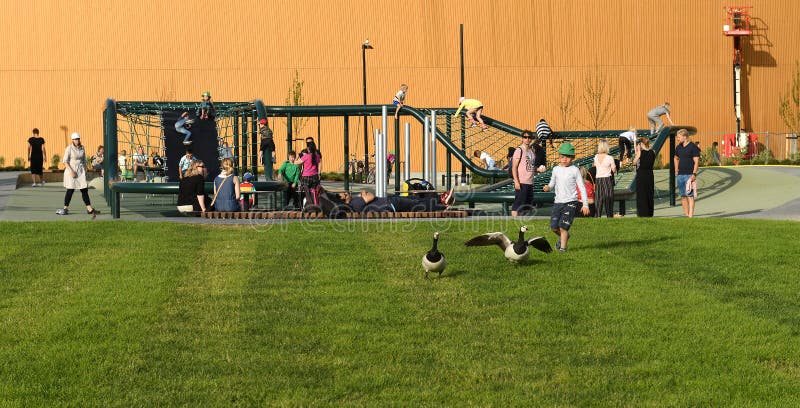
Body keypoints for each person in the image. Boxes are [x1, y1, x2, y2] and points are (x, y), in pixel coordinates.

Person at [542, 143, 590, 253]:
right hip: (558, 202)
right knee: (554, 227)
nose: (564, 159)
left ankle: (563, 249)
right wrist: (548, 187)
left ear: (572, 158)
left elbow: (582, 187)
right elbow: (552, 183)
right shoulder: (556, 169)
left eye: (567, 157)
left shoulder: (575, 170)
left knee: (563, 227)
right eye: (562, 157)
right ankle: (565, 236)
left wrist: (585, 204)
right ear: (559, 157)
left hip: (571, 202)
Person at [56, 133, 99, 217]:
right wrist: (71, 171)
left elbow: (83, 159)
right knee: (70, 190)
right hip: (71, 171)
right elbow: (65, 161)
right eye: (75, 139)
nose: (77, 140)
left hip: (80, 172)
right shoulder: (69, 148)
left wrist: (85, 168)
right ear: (72, 140)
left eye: (78, 139)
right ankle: (65, 208)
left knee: (84, 190)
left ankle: (89, 209)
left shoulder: (82, 148)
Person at [510, 130, 546, 216]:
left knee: (527, 205)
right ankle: (513, 221)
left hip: (530, 182)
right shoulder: (519, 150)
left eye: (529, 137)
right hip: (521, 181)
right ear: (522, 138)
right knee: (517, 205)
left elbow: (530, 167)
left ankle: (524, 223)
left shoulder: (531, 151)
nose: (527, 139)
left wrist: (538, 170)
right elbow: (514, 167)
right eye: (525, 137)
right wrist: (516, 181)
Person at [348, 189, 454, 213]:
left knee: (415, 199)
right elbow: (371, 196)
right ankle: (442, 203)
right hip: (390, 204)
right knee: (417, 204)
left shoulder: (354, 201)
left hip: (390, 201)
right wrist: (364, 192)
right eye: (342, 195)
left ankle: (441, 199)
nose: (344, 193)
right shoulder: (355, 203)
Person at [673, 128, 700, 218]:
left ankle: (690, 217)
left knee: (690, 196)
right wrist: (676, 169)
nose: (677, 139)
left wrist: (694, 174)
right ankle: (686, 215)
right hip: (680, 175)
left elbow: (696, 161)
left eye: (679, 137)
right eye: (677, 137)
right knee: (683, 196)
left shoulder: (693, 147)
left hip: (689, 175)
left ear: (685, 137)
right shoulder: (678, 147)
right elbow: (676, 158)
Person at [294, 138, 322, 207]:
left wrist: (298, 156)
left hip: (306, 177)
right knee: (314, 192)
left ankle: (311, 205)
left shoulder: (306, 156)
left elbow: (296, 162)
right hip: (315, 176)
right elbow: (320, 163)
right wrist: (319, 173)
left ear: (308, 148)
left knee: (307, 192)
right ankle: (316, 205)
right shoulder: (317, 156)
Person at [593, 140, 617, 218]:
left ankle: (597, 216)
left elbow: (594, 166)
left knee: (598, 200)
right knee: (608, 199)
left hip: (598, 179)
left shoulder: (596, 157)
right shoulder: (610, 158)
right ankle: (609, 216)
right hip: (607, 180)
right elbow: (614, 170)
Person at [633, 136, 656, 217]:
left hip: (642, 174)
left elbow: (634, 163)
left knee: (642, 194)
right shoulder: (653, 151)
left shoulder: (640, 153)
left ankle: (643, 213)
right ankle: (650, 212)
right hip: (650, 174)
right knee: (649, 193)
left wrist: (638, 152)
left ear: (642, 143)